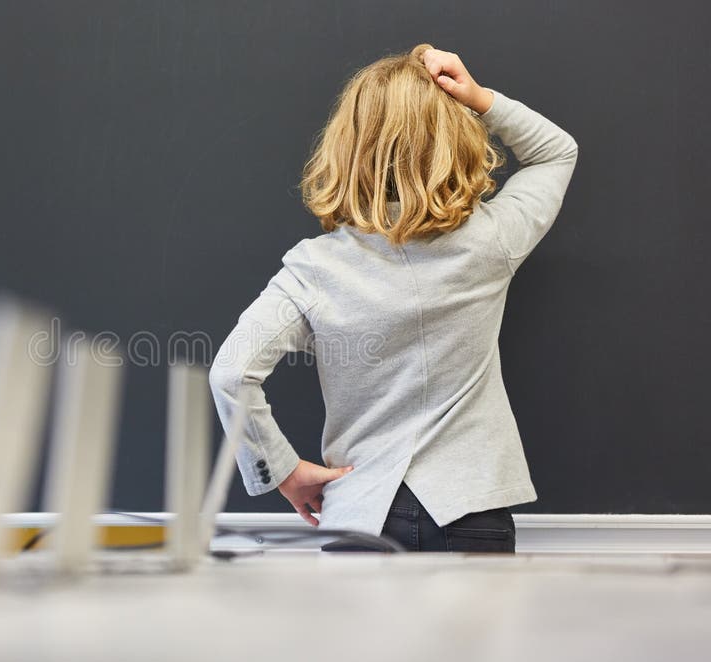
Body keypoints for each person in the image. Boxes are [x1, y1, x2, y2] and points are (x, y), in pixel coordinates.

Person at [208, 44, 579, 553]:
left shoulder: (314, 268)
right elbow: (556, 152)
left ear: (346, 147)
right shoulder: (492, 239)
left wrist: (283, 471)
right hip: (471, 509)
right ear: (454, 140)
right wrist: (480, 98)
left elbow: (230, 373)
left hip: (359, 512)